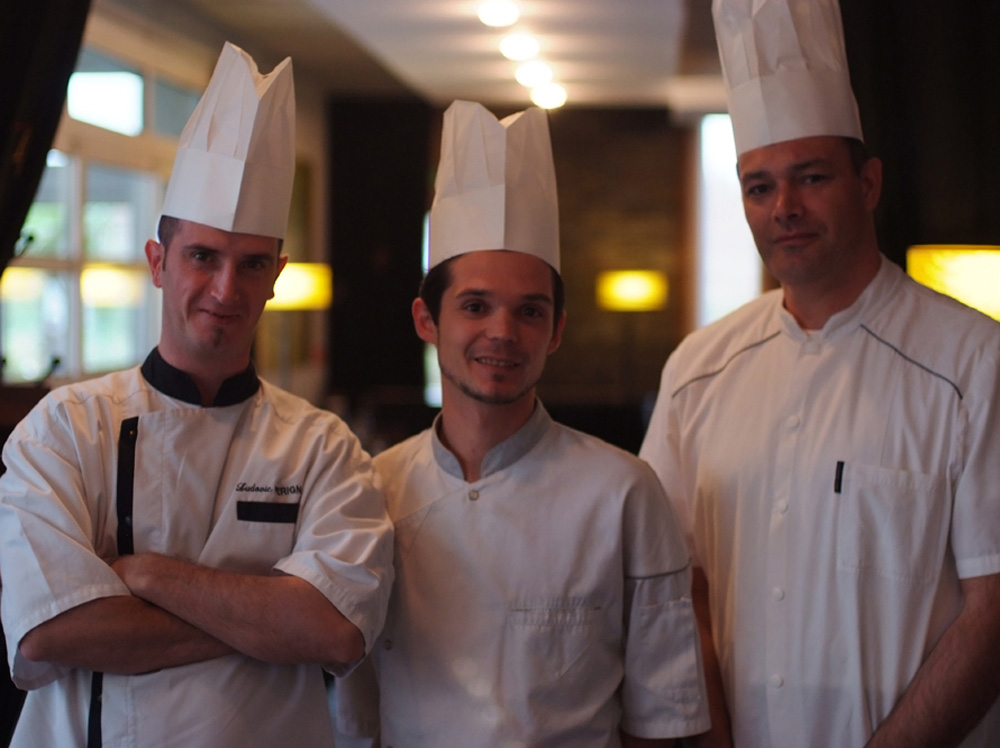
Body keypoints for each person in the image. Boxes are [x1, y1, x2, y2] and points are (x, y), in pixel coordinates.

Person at [0, 42, 393, 748]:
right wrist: (269, 620)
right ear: (158, 262)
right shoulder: (65, 428)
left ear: (276, 274)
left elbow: (334, 631)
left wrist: (145, 574)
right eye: (202, 257)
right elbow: (49, 632)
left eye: (250, 265)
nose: (224, 289)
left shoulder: (324, 447)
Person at [639, 1, 1000, 746]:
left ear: (867, 183)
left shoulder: (974, 361)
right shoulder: (697, 371)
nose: (785, 208)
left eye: (811, 178)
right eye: (759, 186)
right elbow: (679, 591)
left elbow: (993, 606)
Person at [334, 100, 710, 747]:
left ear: (557, 330)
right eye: (475, 305)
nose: (502, 333)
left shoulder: (623, 492)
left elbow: (664, 724)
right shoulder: (371, 491)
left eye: (529, 311)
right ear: (427, 321)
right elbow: (348, 710)